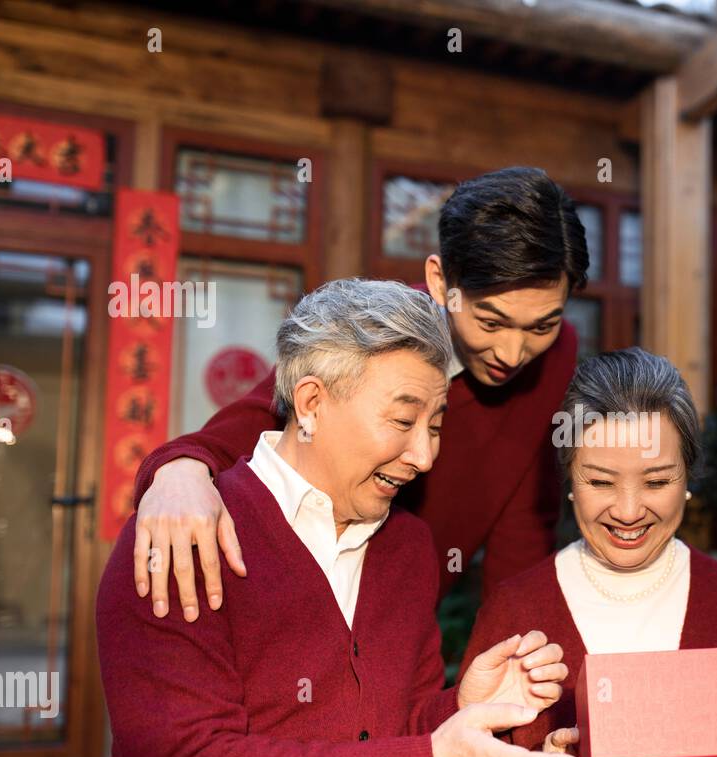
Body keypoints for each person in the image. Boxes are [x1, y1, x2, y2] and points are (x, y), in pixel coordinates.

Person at [93, 280, 599, 757]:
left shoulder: (407, 547)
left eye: (434, 427)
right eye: (402, 421)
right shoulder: (184, 538)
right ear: (310, 405)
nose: (424, 456)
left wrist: (464, 705)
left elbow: (393, 734)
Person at [130, 167, 588, 623]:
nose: (513, 352)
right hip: (299, 593)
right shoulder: (379, 332)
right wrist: (180, 470)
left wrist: (515, 646)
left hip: (402, 613)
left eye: (541, 325)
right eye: (490, 322)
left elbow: (525, 517)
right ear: (440, 281)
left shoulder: (555, 352)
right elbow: (264, 413)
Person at [460, 348, 717, 757]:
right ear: (569, 479)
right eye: (599, 482)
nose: (629, 511)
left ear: (688, 476)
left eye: (656, 482)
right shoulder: (516, 607)